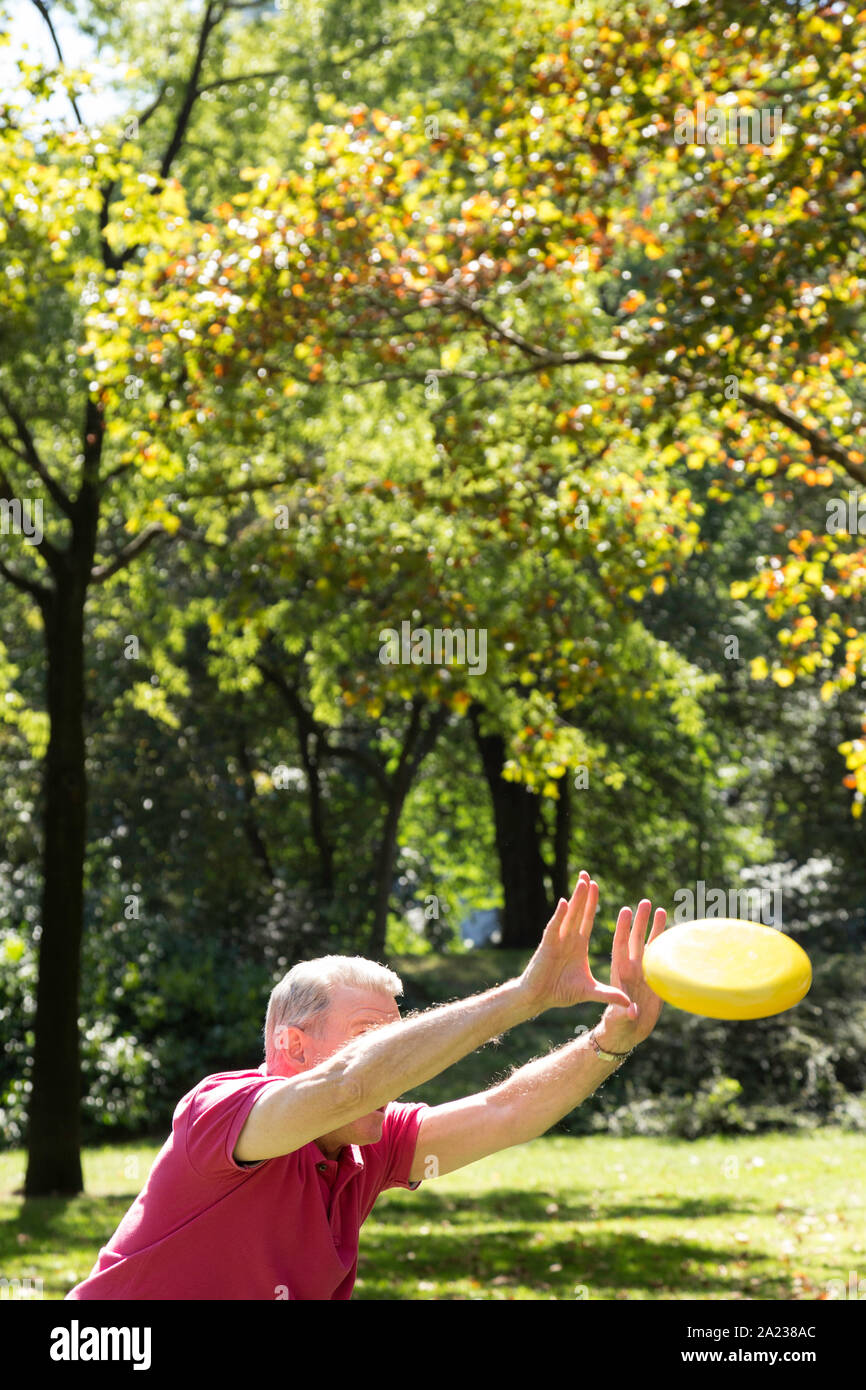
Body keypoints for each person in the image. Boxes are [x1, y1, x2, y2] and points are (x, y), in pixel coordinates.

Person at [67, 870, 666, 1300]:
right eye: (368, 1036)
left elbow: (503, 1113)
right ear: (293, 1048)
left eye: (395, 1039)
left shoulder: (366, 1147)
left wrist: (611, 1040)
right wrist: (522, 997)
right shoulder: (220, 1110)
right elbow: (349, 1084)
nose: (395, 1065)